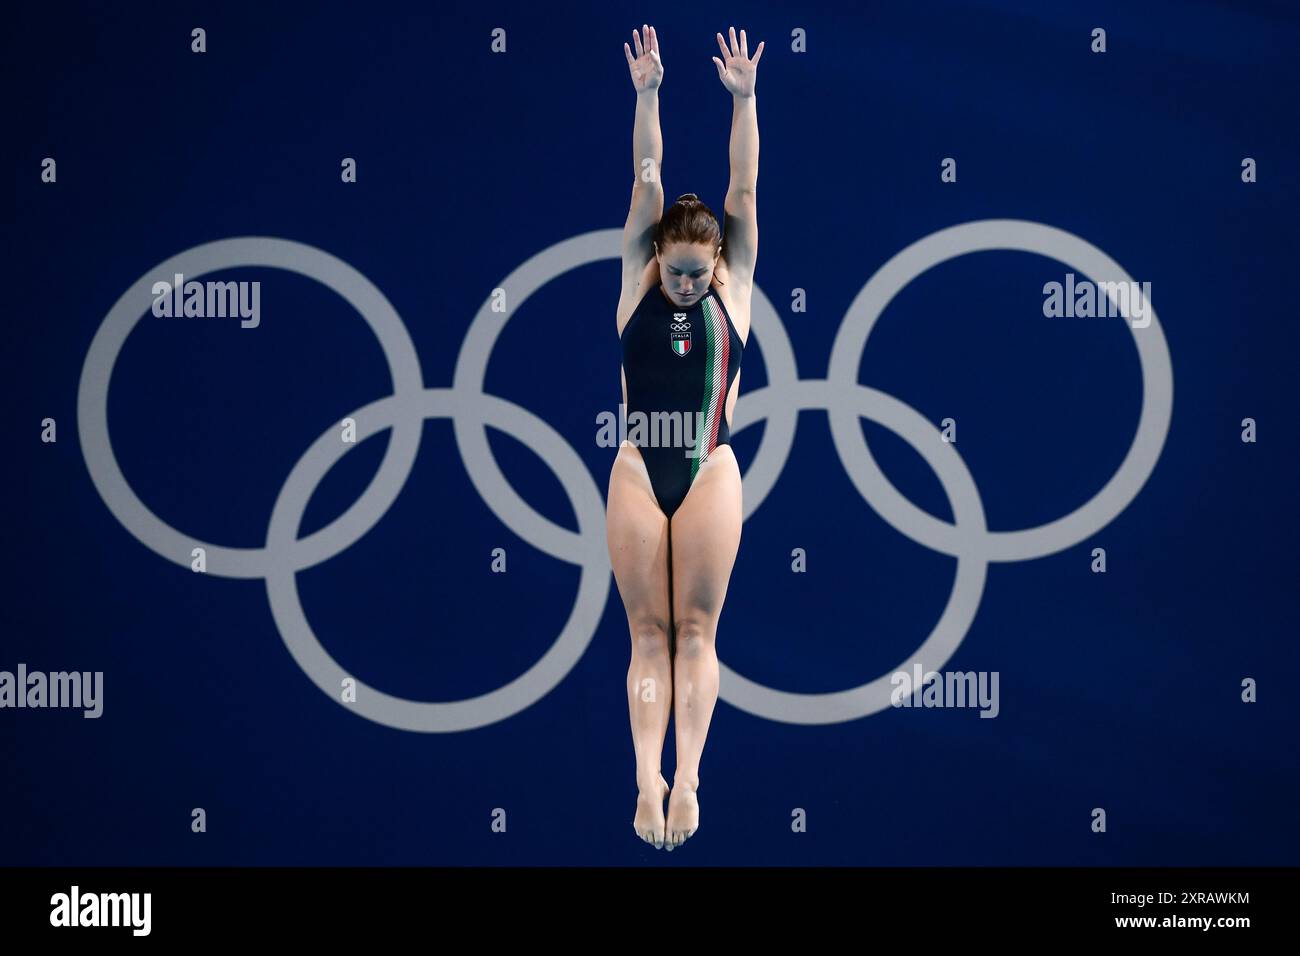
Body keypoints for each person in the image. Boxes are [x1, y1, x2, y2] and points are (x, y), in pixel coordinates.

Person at [608, 23, 763, 851]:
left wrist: (744, 102)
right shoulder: (638, 272)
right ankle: (646, 779)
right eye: (676, 270)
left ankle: (691, 778)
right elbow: (648, 181)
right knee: (648, 634)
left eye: (701, 276)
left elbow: (741, 192)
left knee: (697, 632)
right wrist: (648, 94)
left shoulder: (731, 287)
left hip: (709, 467)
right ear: (657, 255)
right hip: (638, 466)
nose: (688, 283)